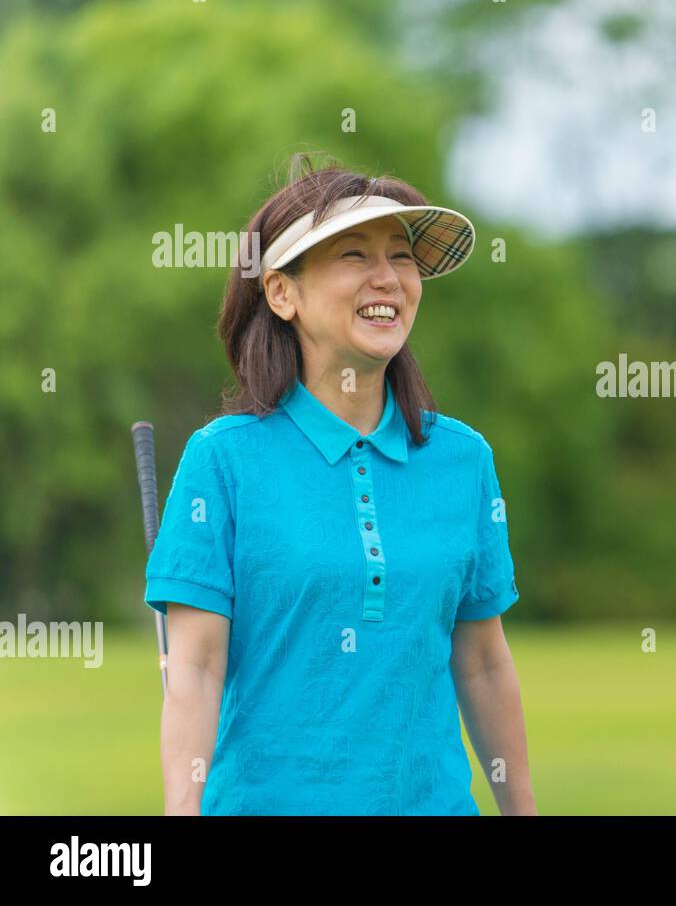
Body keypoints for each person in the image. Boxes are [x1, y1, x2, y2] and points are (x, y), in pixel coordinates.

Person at [144, 155, 536, 815]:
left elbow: (483, 661)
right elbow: (196, 668)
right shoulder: (222, 460)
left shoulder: (462, 458)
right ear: (281, 292)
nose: (387, 278)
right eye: (353, 255)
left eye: (401, 256)